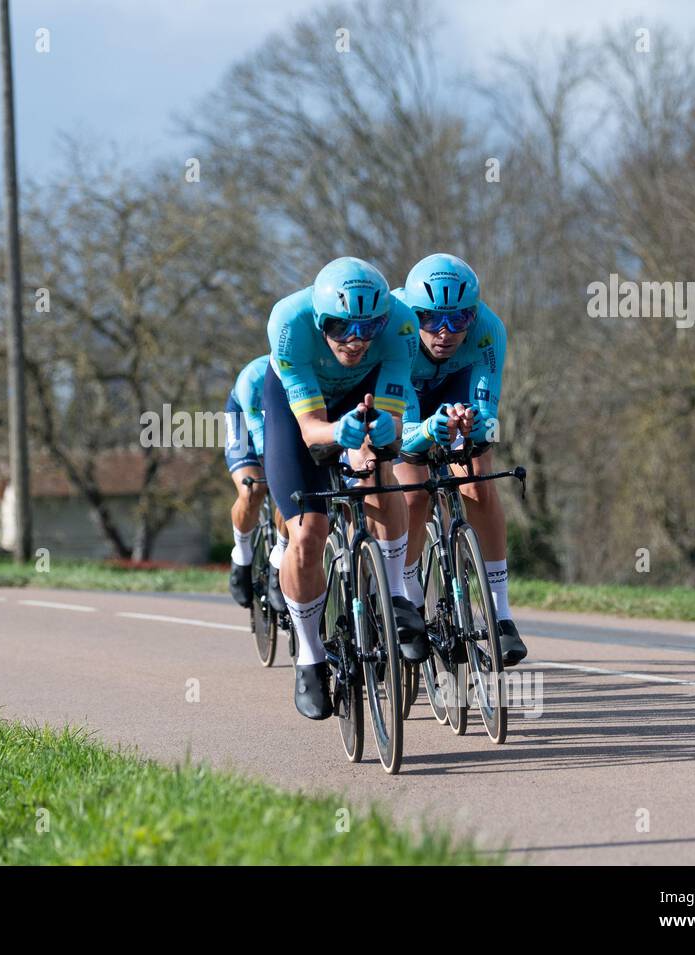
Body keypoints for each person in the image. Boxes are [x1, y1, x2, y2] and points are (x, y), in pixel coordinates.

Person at [263, 257, 428, 720]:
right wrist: (341, 435)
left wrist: (371, 438)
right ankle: (310, 657)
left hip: (365, 394)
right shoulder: (290, 324)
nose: (355, 341)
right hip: (302, 411)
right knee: (309, 533)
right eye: (340, 328)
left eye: (367, 327)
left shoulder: (400, 326)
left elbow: (393, 421)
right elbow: (313, 429)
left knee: (379, 470)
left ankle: (395, 594)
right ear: (320, 321)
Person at [392, 252, 528, 666]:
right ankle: (410, 594)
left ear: (473, 315)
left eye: (458, 319)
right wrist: (431, 430)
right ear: (414, 314)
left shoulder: (488, 331)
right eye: (431, 319)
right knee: (413, 495)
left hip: (456, 391)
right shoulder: (395, 329)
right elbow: (407, 433)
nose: (445, 332)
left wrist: (472, 424)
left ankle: (500, 614)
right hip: (407, 401)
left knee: (477, 482)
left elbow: (489, 417)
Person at [225, 354, 287, 613]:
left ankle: (280, 557)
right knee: (253, 490)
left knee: (295, 493)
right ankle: (241, 555)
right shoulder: (254, 375)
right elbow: (258, 434)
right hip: (246, 426)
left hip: (284, 425)